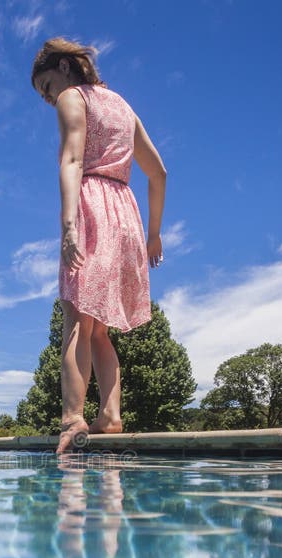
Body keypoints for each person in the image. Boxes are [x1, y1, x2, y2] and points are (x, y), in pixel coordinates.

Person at [31, 37, 167, 453]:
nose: (50, 99)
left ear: (65, 68)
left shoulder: (73, 98)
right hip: (126, 214)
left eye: (47, 87)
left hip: (91, 204)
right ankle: (110, 414)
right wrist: (154, 234)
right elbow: (158, 172)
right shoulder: (123, 106)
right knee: (100, 332)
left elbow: (71, 159)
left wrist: (69, 223)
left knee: (76, 319)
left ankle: (73, 418)